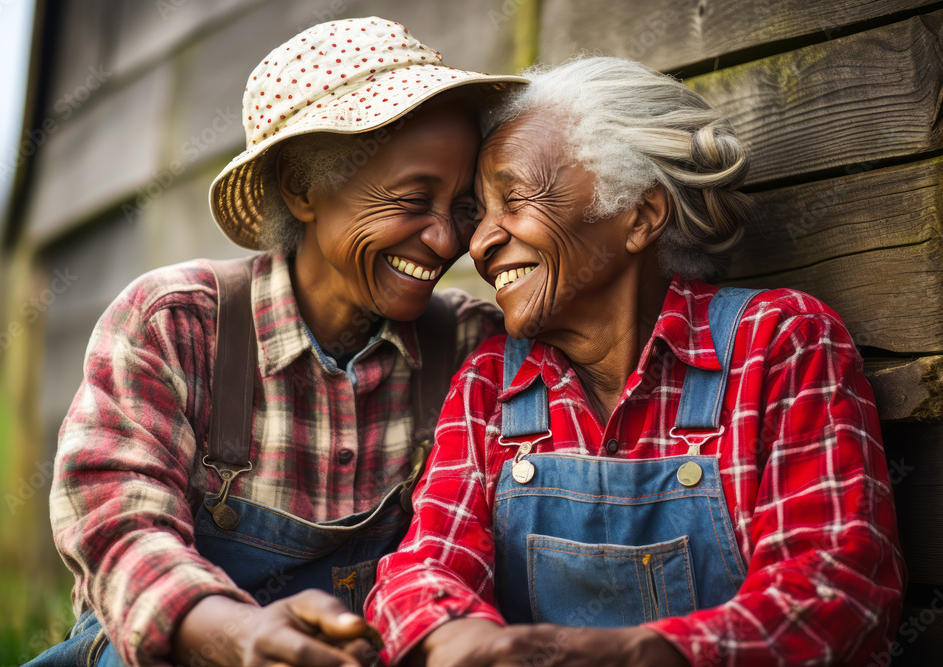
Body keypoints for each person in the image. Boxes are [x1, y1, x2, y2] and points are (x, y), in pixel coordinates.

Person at [366, 56, 906, 667]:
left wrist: (639, 654)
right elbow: (424, 565)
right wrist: (453, 636)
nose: (481, 241)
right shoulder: (491, 385)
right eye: (481, 212)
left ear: (642, 215)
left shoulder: (778, 343)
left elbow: (837, 590)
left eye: (514, 200)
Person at [25, 17, 525, 667]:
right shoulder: (175, 325)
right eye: (412, 199)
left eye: (461, 206)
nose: (444, 240)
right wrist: (237, 634)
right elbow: (117, 527)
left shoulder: (468, 345)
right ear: (303, 186)